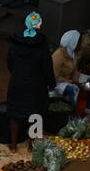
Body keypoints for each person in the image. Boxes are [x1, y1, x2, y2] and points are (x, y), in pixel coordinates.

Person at [4, 12, 53, 152]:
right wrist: (51, 82)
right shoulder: (42, 45)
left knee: (15, 112)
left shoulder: (15, 43)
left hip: (17, 83)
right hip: (36, 85)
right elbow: (47, 66)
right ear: (38, 25)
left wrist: (17, 74)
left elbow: (10, 63)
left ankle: (13, 146)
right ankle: (31, 145)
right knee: (36, 113)